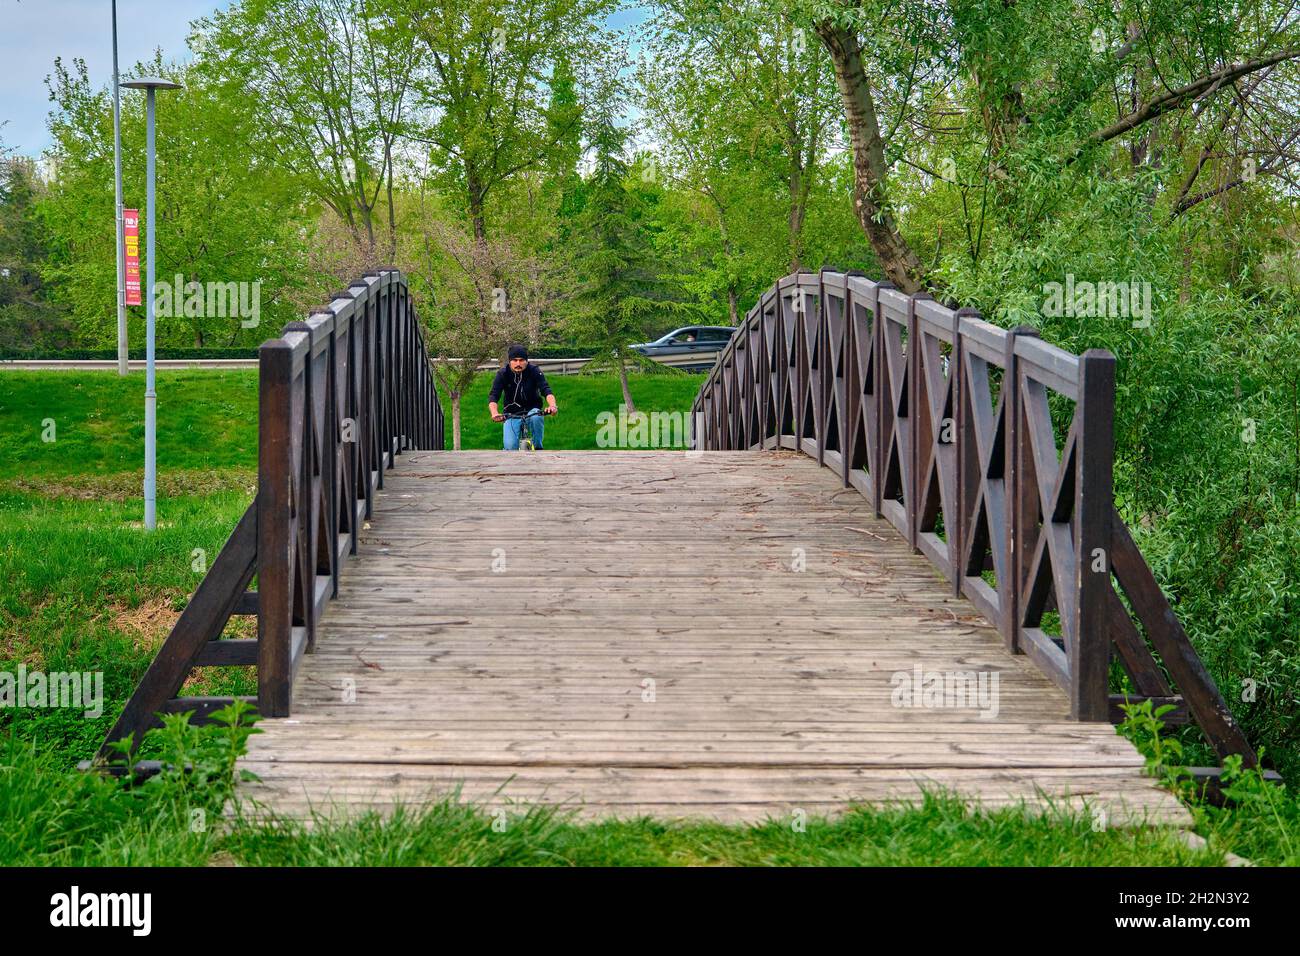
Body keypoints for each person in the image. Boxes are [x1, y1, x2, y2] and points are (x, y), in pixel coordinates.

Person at [488, 344, 558, 449]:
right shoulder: (502, 374)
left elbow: (546, 389)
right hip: (511, 413)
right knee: (510, 446)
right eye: (515, 360)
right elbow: (494, 395)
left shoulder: (534, 371)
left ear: (527, 361)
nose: (518, 363)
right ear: (510, 361)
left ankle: (538, 447)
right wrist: (494, 413)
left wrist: (552, 406)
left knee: (536, 417)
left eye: (521, 360)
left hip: (532, 410)